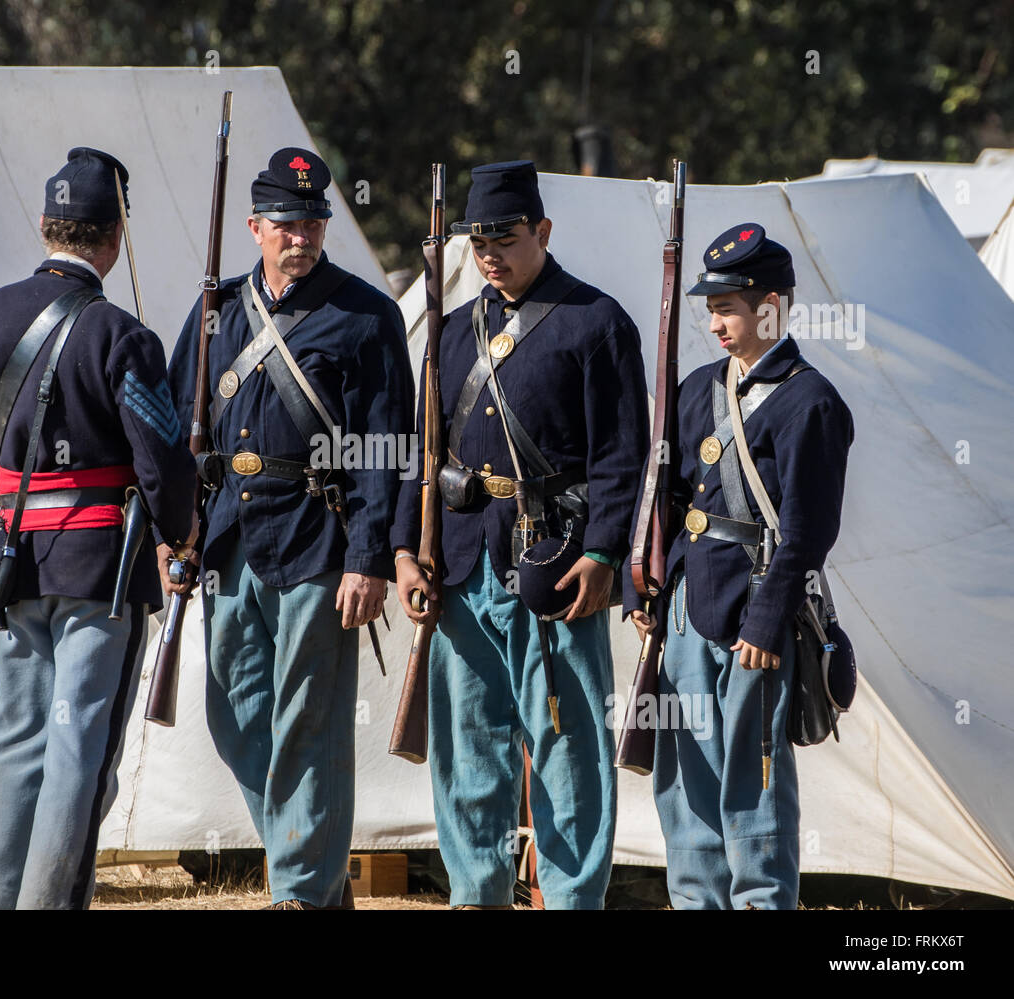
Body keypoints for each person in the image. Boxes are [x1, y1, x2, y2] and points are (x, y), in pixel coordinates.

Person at [0, 147, 195, 909]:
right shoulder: (123, 336)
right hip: (100, 570)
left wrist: (16, 485)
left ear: (44, 224)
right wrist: (179, 529)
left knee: (14, 743)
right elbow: (161, 459)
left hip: (14, 563)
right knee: (78, 745)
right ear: (113, 237)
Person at [392, 161, 649, 908]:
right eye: (479, 242)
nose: (491, 255)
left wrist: (603, 552)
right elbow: (424, 453)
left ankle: (571, 898)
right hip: (463, 564)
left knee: (567, 752)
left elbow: (623, 457)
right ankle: (478, 893)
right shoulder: (452, 330)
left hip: (553, 564)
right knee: (471, 751)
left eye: (505, 238)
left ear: (542, 230)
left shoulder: (595, 323)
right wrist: (408, 551)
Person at [161, 147, 413, 909]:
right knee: (232, 713)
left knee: (310, 720)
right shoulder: (217, 310)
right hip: (231, 536)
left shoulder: (368, 316)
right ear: (254, 228)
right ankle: (322, 878)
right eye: (286, 224)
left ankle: (299, 890)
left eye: (312, 222)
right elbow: (180, 424)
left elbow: (385, 450)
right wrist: (177, 533)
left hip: (319, 542)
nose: (300, 236)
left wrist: (367, 556)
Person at [626, 223, 854, 909]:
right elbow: (663, 498)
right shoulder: (698, 388)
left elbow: (809, 533)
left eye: (729, 305)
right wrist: (648, 586)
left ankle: (760, 901)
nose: (715, 319)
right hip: (690, 608)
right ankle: (698, 900)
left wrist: (766, 619)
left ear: (773, 306)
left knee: (753, 777)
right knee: (684, 775)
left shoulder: (811, 401)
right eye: (712, 306)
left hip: (757, 614)